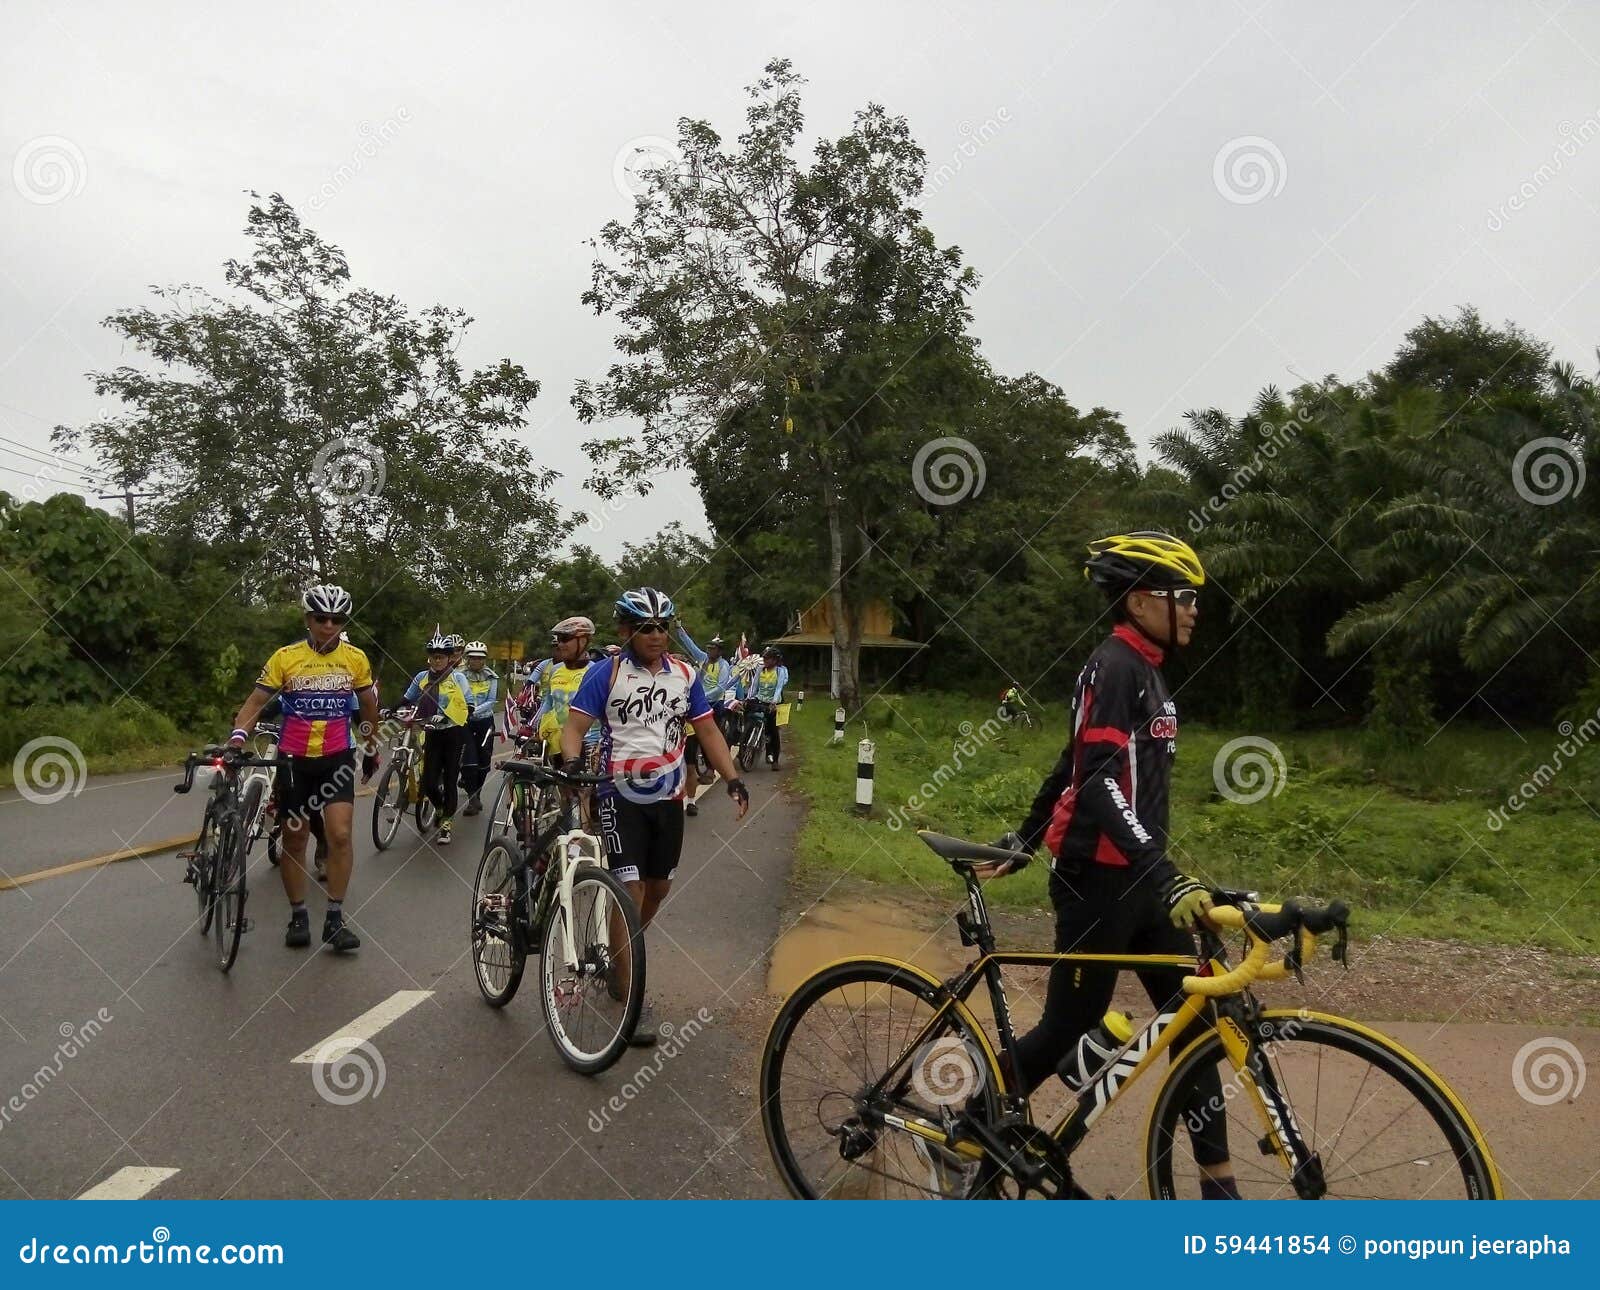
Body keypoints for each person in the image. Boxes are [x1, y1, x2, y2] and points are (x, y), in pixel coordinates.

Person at [984, 531, 1237, 1198]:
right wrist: (1151, 867)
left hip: (1144, 877)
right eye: (1183, 596)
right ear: (1140, 600)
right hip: (1097, 878)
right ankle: (970, 1121)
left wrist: (1027, 834)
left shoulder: (1149, 670)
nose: (1193, 609)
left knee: (1197, 1019)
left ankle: (1219, 1186)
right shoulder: (1113, 666)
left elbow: (1071, 764)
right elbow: (1093, 776)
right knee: (1065, 1026)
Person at [563, 588, 748, 1046]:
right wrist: (572, 766)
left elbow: (706, 729)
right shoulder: (606, 674)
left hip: (667, 798)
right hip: (618, 794)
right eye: (647, 627)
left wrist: (732, 779)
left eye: (664, 626)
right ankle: (629, 995)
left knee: (658, 889)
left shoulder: (686, 675)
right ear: (626, 631)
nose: (657, 635)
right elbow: (574, 728)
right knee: (631, 891)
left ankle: (621, 952)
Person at [227, 584, 381, 953]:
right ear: (307, 619)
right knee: (295, 838)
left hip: (337, 757)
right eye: (320, 618)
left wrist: (372, 744)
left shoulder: (355, 658)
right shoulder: (285, 657)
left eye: (337, 619)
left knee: (340, 834)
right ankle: (298, 915)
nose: (328, 625)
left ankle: (334, 918)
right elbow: (255, 702)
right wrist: (236, 738)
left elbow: (368, 706)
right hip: (294, 759)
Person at [403, 631, 472, 845]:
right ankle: (440, 807)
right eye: (434, 656)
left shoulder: (458, 677)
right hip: (432, 733)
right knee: (429, 782)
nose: (437, 659)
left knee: (450, 779)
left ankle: (446, 824)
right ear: (429, 658)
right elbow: (407, 698)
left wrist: (447, 715)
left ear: (449, 658)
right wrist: (388, 710)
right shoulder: (422, 677)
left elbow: (469, 704)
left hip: (453, 733)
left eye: (441, 656)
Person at [672, 626, 734, 815]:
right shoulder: (702, 659)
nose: (709, 652)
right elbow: (690, 645)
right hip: (691, 704)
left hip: (712, 703)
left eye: (713, 649)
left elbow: (720, 687)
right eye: (708, 649)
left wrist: (699, 697)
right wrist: (679, 629)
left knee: (709, 735)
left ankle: (710, 768)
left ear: (720, 651)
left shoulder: (724, 666)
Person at [459, 641, 499, 816]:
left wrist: (474, 710)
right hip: (465, 722)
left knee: (483, 761)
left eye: (480, 658)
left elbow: (491, 701)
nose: (476, 661)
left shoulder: (492, 677)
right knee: (468, 761)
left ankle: (478, 793)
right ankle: (471, 797)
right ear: (467, 659)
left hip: (484, 721)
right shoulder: (459, 676)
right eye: (473, 658)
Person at [746, 646, 790, 768]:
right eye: (764, 658)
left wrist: (774, 702)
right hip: (760, 700)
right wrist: (749, 697)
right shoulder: (760, 669)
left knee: (773, 731)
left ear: (775, 660)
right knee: (750, 718)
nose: (764, 660)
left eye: (767, 658)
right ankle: (747, 745)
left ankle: (775, 760)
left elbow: (779, 688)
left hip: (773, 703)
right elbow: (754, 685)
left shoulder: (780, 671)